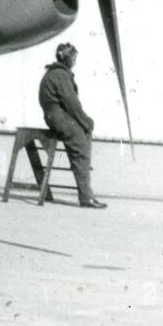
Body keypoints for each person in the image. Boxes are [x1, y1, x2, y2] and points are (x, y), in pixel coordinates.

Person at [38, 43, 105, 209]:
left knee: (84, 135)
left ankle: (87, 190)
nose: (75, 61)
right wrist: (85, 121)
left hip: (55, 115)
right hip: (59, 116)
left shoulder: (56, 73)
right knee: (81, 144)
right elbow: (72, 103)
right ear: (69, 58)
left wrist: (85, 123)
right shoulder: (61, 75)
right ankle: (85, 197)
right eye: (74, 57)